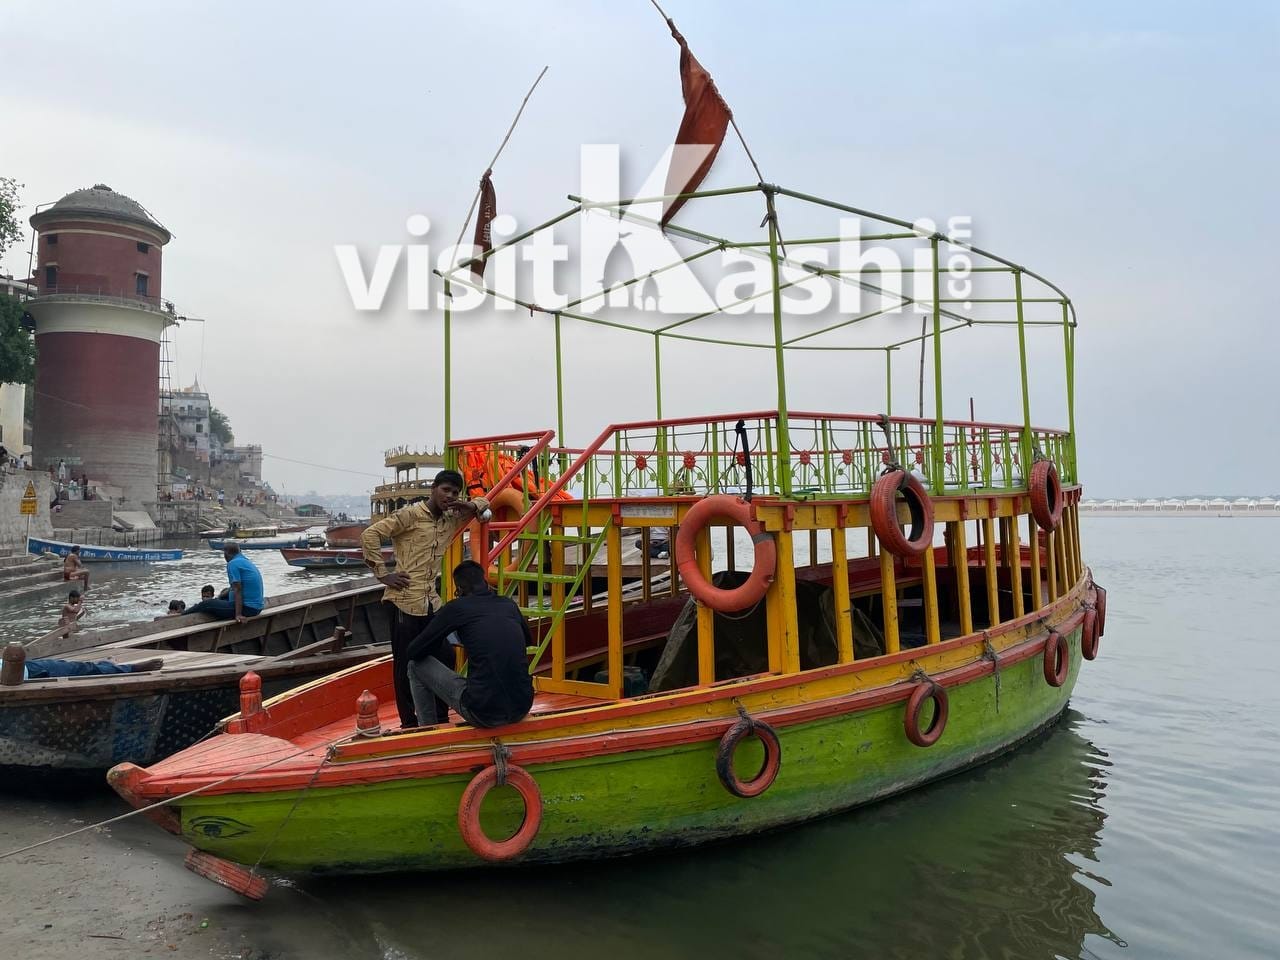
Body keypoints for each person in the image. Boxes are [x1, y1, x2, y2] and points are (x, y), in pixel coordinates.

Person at [361, 469, 488, 729]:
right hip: (403, 600)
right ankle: (409, 722)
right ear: (433, 489)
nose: (449, 496)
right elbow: (370, 535)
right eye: (445, 490)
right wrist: (383, 575)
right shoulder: (410, 514)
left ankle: (439, 716)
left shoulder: (450, 520)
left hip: (431, 600)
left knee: (444, 655)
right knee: (406, 663)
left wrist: (468, 504)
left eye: (454, 492)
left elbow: (486, 503)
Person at [406, 561, 534, 728]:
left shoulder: (456, 608)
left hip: (483, 713)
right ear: (485, 582)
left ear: (459, 590)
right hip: (522, 706)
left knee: (415, 666)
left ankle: (427, 731)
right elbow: (527, 641)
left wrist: (442, 639)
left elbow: (413, 651)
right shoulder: (508, 604)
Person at [186, 544, 264, 623]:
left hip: (248, 608)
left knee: (207, 603)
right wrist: (220, 596)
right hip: (258, 607)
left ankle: (183, 614)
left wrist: (238, 614)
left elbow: (238, 589)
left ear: (226, 553)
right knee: (221, 599)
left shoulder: (233, 563)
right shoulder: (245, 561)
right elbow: (233, 588)